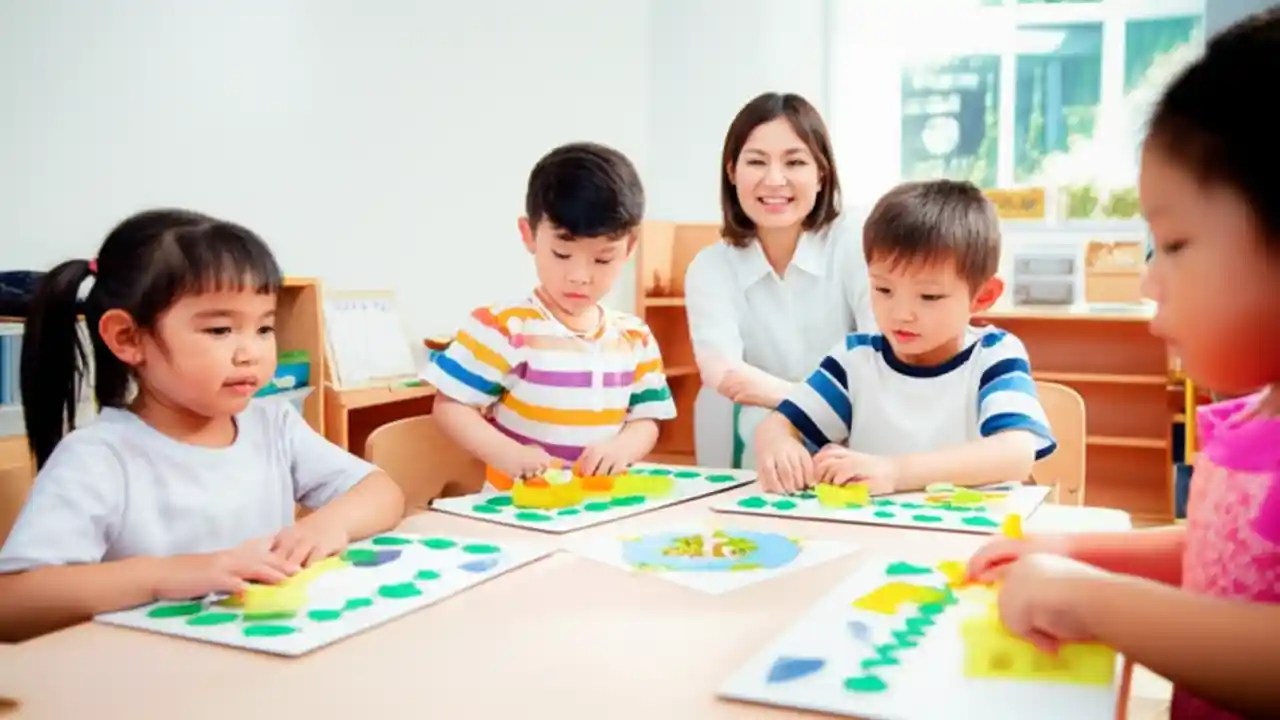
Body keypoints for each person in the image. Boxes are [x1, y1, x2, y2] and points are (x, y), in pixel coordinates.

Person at [967, 10, 1280, 718]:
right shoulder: (1262, 414)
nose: (1146, 279)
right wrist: (1075, 547)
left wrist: (1093, 600)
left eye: (1172, 244)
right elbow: (1220, 557)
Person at [0, 209, 405, 641]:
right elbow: (12, 602)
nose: (250, 352)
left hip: (267, 652)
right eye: (219, 330)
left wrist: (325, 526)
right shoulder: (100, 457)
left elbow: (382, 492)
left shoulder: (271, 424)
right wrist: (169, 576)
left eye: (265, 327)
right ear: (128, 338)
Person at [754, 179, 1056, 493]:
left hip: (968, 537)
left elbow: (1016, 454)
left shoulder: (994, 355)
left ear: (982, 296)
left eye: (929, 296)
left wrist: (895, 472)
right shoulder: (855, 360)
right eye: (883, 289)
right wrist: (778, 442)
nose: (901, 314)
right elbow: (780, 423)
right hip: (875, 536)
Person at [425, 142, 676, 489]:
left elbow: (647, 418)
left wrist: (622, 448)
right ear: (529, 235)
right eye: (561, 253)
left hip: (598, 503)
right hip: (517, 508)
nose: (579, 275)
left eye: (602, 259)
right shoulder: (503, 327)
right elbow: (450, 406)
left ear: (630, 248)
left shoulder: (634, 338)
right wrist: (509, 455)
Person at [683, 92, 876, 469]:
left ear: (821, 174)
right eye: (756, 161)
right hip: (749, 441)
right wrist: (813, 400)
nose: (775, 180)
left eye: (795, 161)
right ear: (731, 172)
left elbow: (879, 359)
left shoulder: (857, 241)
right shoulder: (709, 267)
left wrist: (780, 394)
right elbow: (723, 374)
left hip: (853, 436)